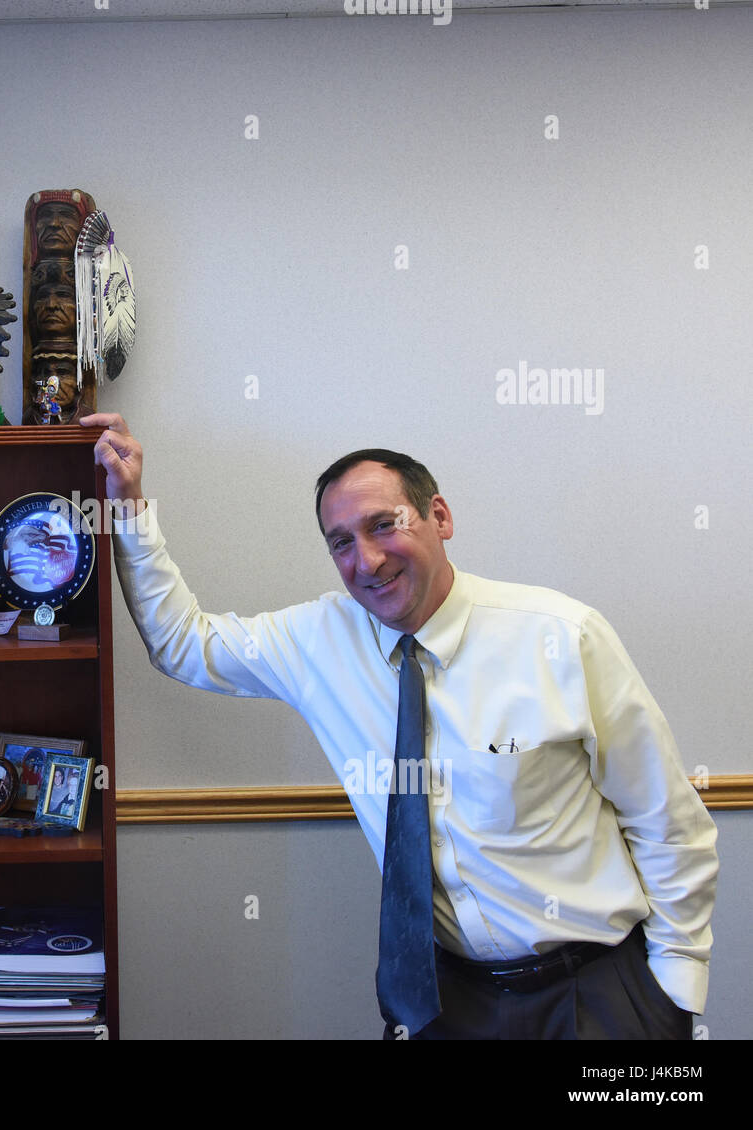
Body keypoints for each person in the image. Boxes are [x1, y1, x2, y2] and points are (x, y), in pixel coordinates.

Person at [83, 412, 718, 1041]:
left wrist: (671, 993)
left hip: (595, 994)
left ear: (439, 517)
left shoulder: (561, 636)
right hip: (443, 1000)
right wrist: (128, 504)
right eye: (340, 542)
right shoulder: (320, 640)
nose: (367, 560)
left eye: (384, 525)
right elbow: (181, 644)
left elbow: (667, 821)